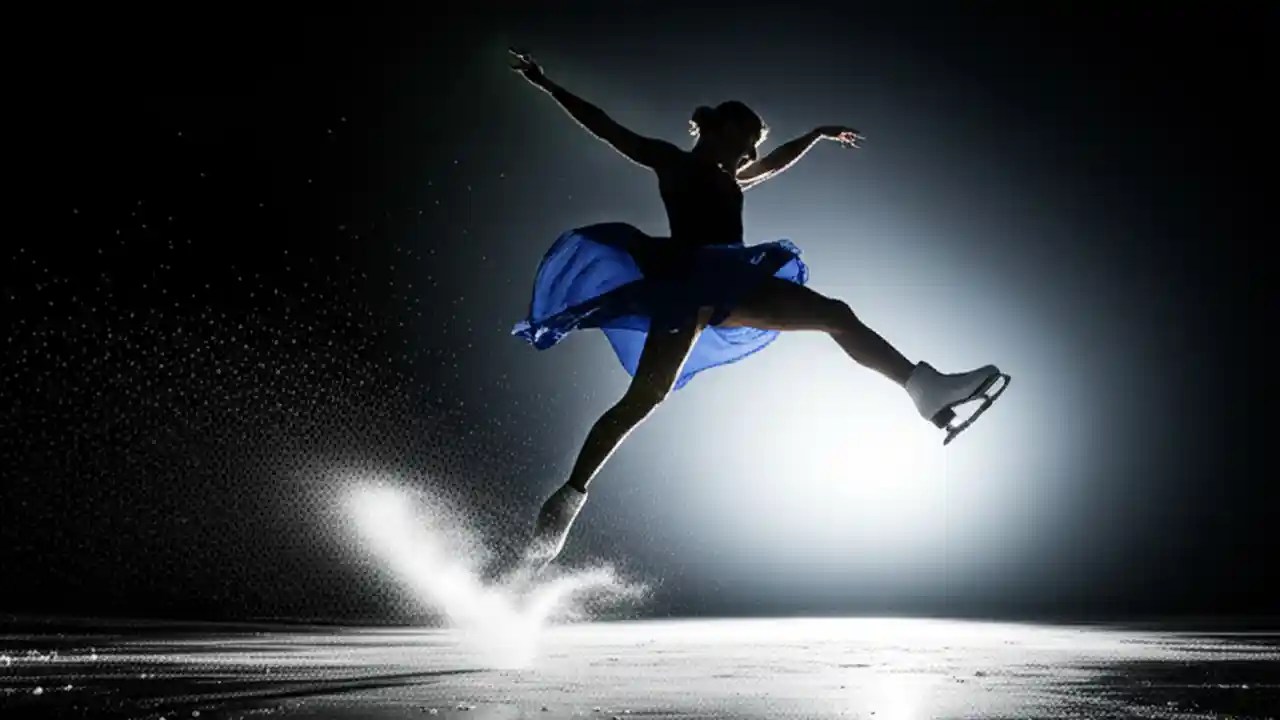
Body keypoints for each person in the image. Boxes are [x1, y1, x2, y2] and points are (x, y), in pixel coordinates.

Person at [506, 48, 1008, 571]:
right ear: (722, 129)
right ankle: (564, 505)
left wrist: (815, 135)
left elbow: (774, 163)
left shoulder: (731, 177)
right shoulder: (674, 163)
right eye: (746, 143)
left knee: (831, 316)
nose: (750, 156)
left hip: (718, 286)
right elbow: (607, 127)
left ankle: (925, 389)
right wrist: (547, 84)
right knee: (647, 396)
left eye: (752, 149)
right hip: (692, 282)